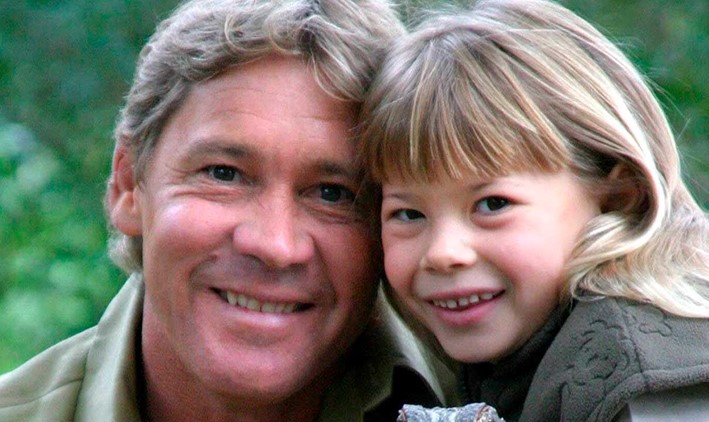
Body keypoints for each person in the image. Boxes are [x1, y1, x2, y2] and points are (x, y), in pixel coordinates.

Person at [0, 0, 457, 420]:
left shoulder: (481, 401)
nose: (275, 246)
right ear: (127, 185)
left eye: (332, 194)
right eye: (224, 174)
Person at [359, 0, 709, 420]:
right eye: (408, 214)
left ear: (618, 198)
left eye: (493, 204)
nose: (442, 252)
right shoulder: (518, 355)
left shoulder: (655, 382)